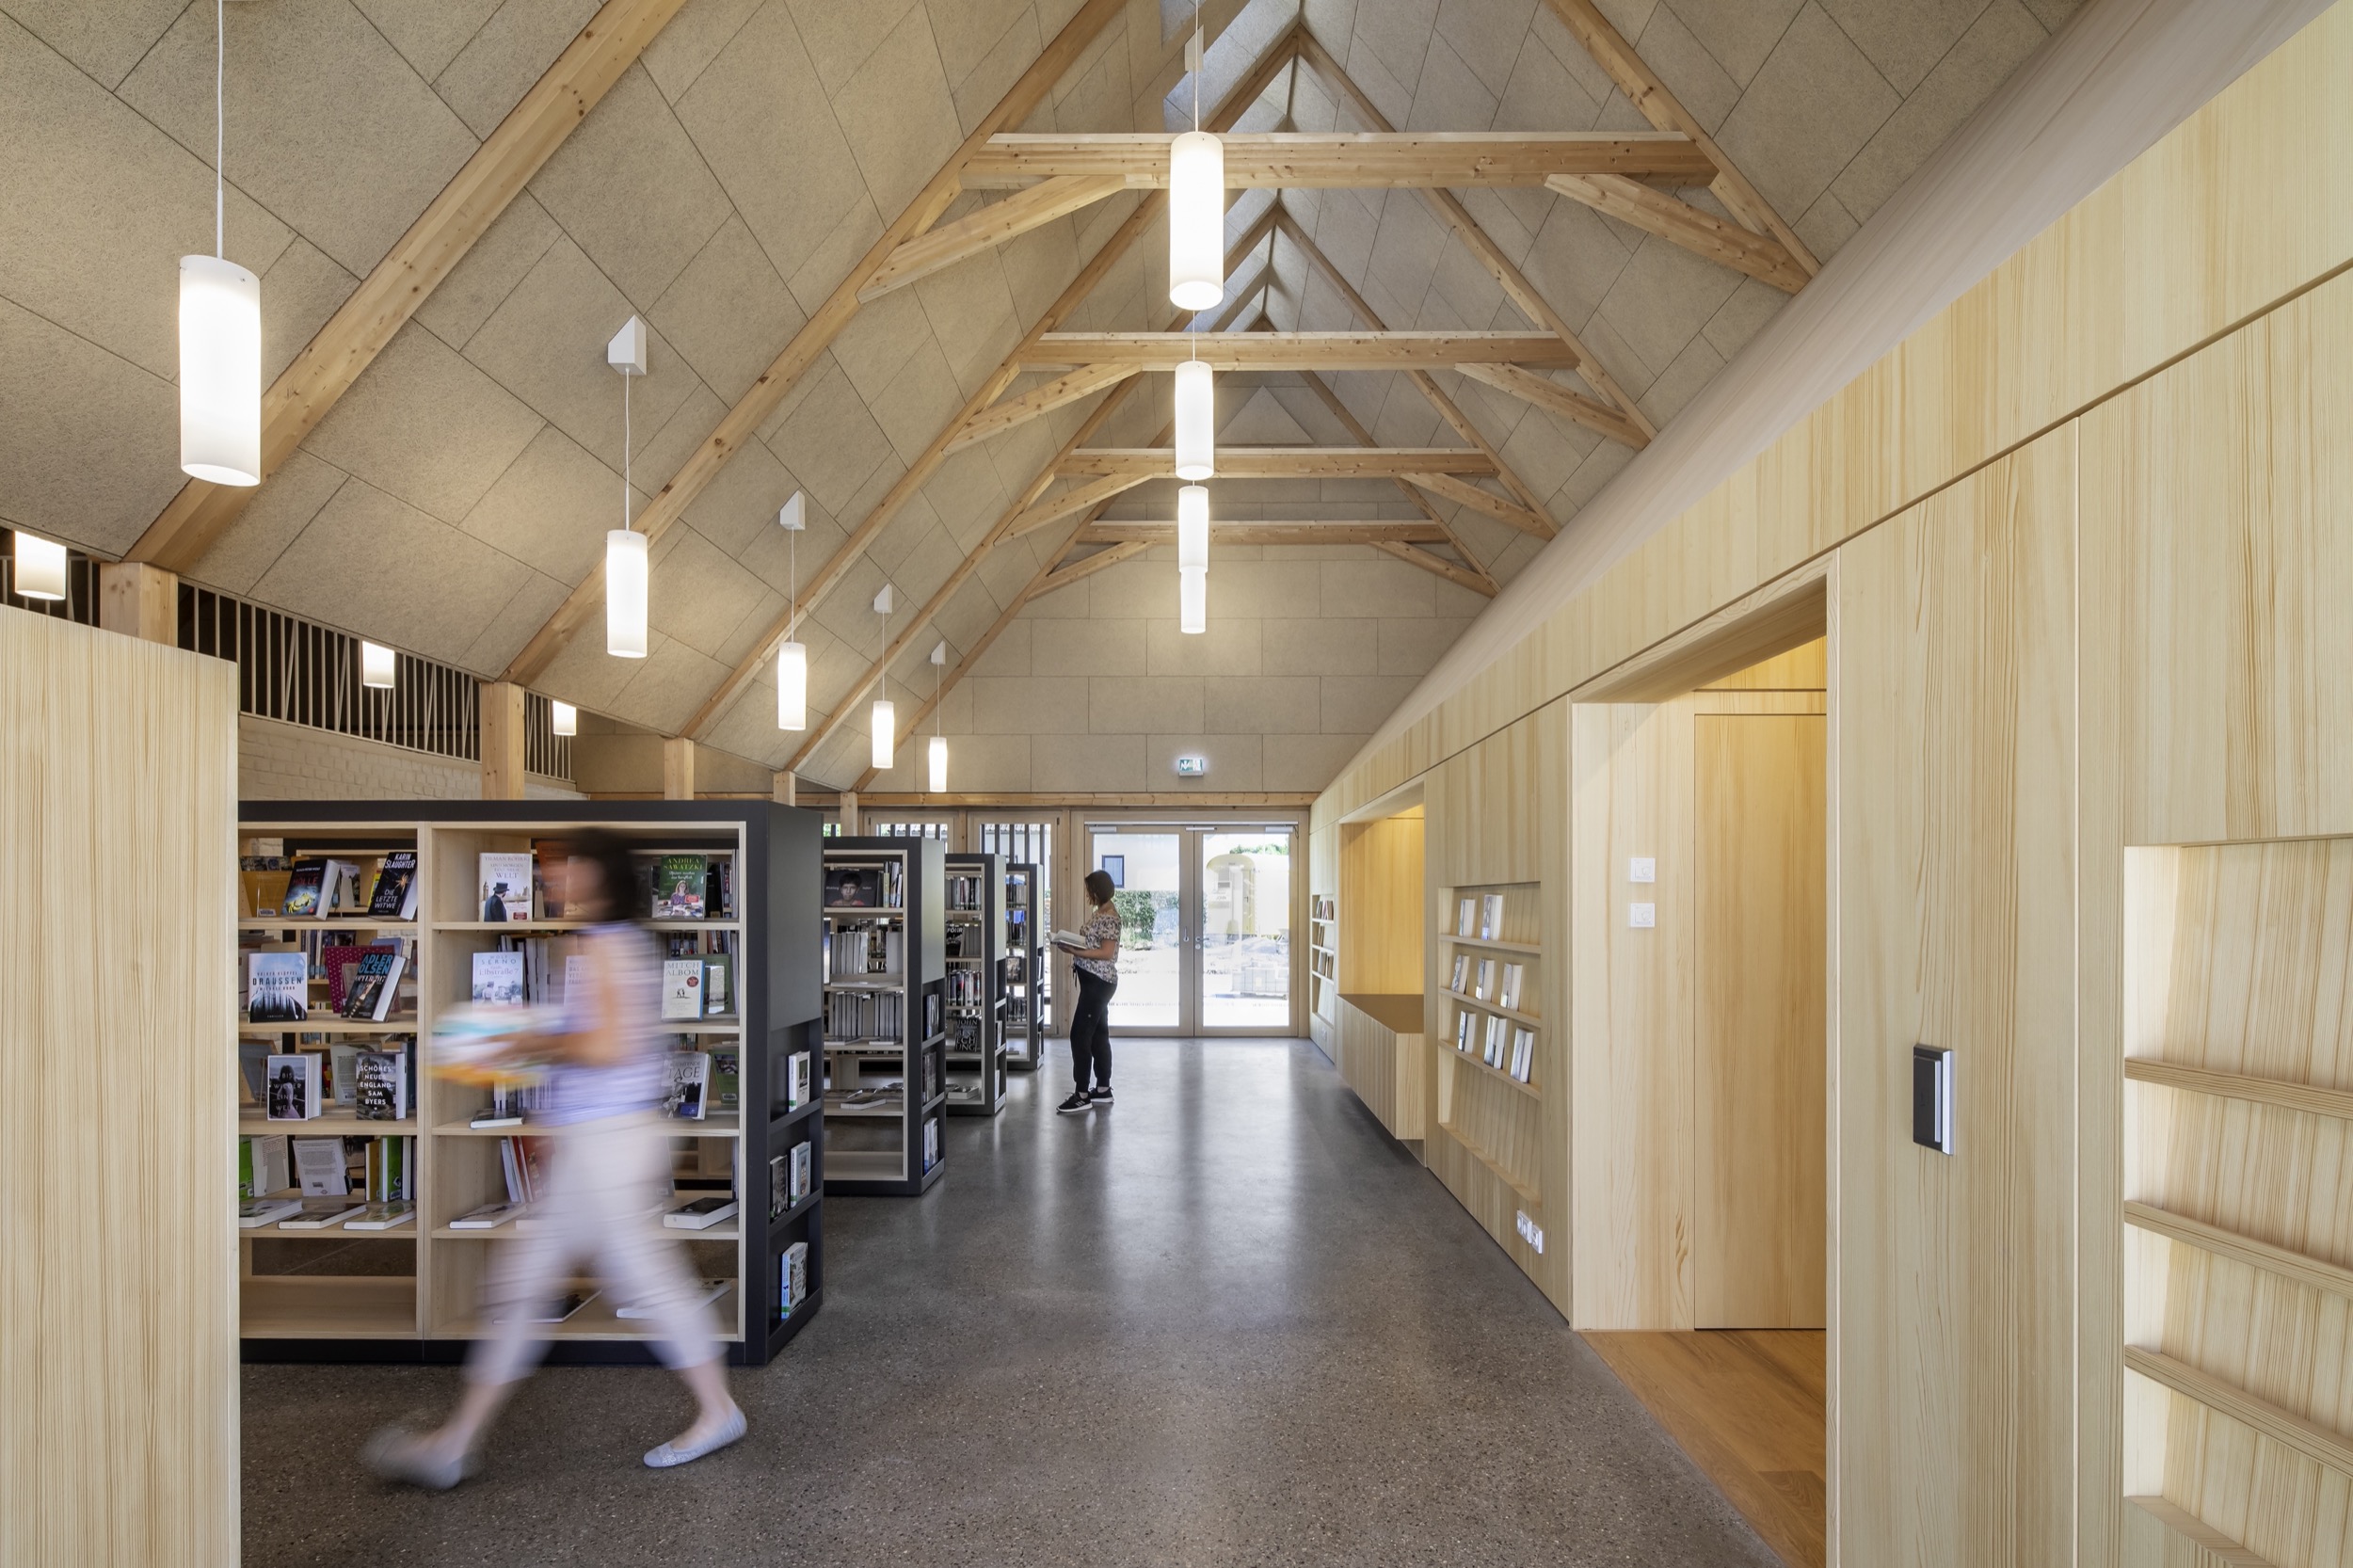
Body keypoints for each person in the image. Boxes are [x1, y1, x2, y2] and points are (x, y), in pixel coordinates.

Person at [364, 831, 744, 1489]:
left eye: (567, 870)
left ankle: (716, 1410)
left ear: (597, 875)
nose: (554, 882)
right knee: (528, 1287)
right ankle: (454, 1442)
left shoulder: (602, 946)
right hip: (599, 1142)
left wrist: (527, 1036)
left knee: (621, 1284)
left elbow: (607, 1046)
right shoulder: (615, 942)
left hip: (606, 1145)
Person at [1057, 870, 1122, 1113]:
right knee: (1097, 1034)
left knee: (1079, 1035)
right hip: (1094, 982)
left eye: (1089, 890)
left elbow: (1106, 953)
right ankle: (1103, 1089)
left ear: (1098, 890)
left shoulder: (1110, 918)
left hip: (1098, 983)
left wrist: (1076, 952)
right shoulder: (1101, 914)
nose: (1087, 894)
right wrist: (1072, 945)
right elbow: (1093, 944)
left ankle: (1082, 1094)